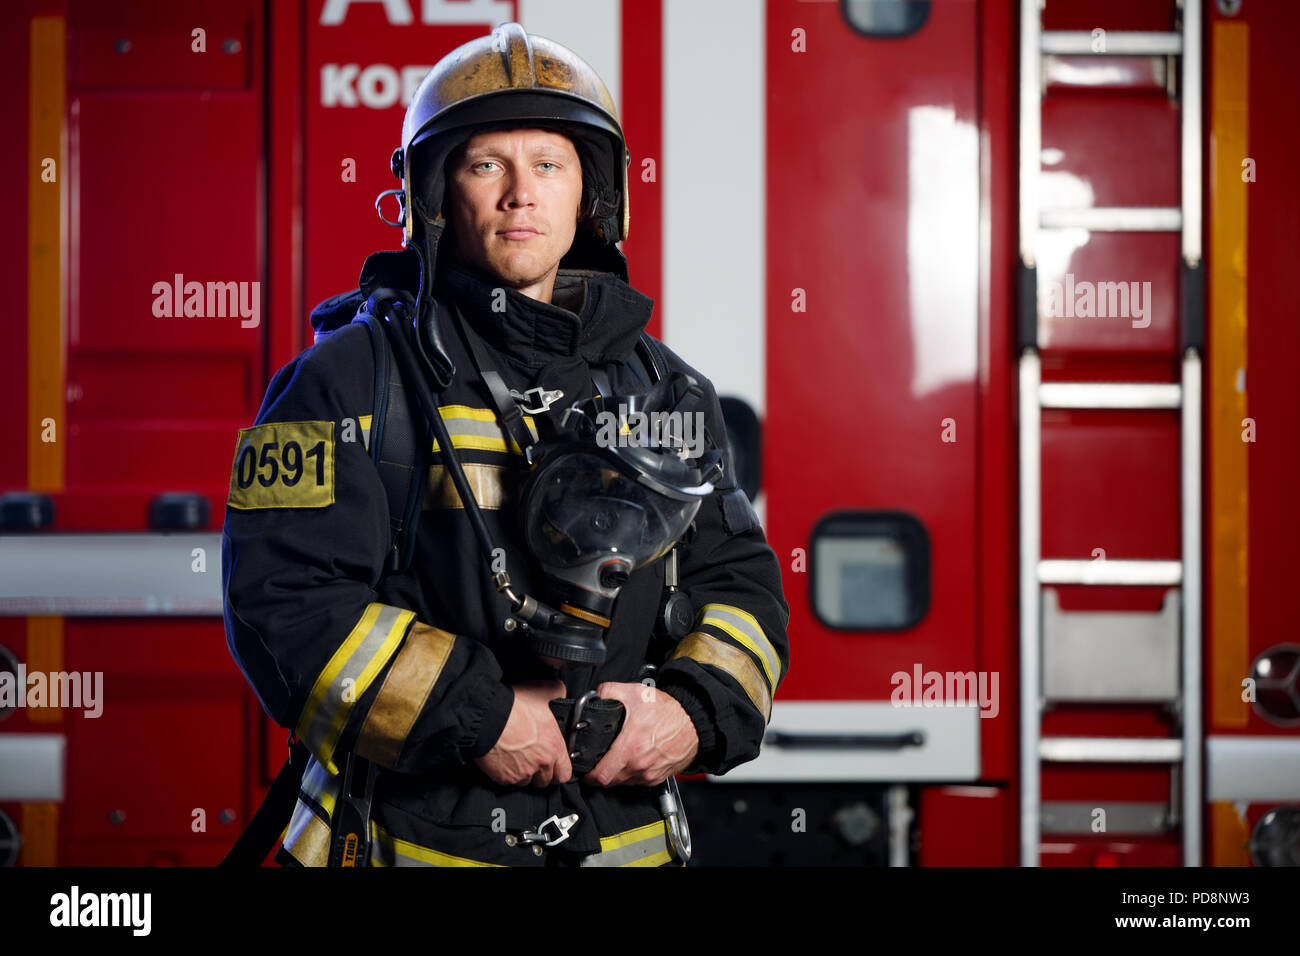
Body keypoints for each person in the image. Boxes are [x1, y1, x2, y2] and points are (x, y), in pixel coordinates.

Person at [221, 21, 789, 867]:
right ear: (434, 194)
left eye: (549, 166)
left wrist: (691, 711)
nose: (522, 195)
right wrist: (482, 717)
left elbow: (741, 591)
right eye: (487, 164)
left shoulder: (668, 392)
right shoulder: (345, 384)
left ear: (592, 195)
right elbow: (286, 606)